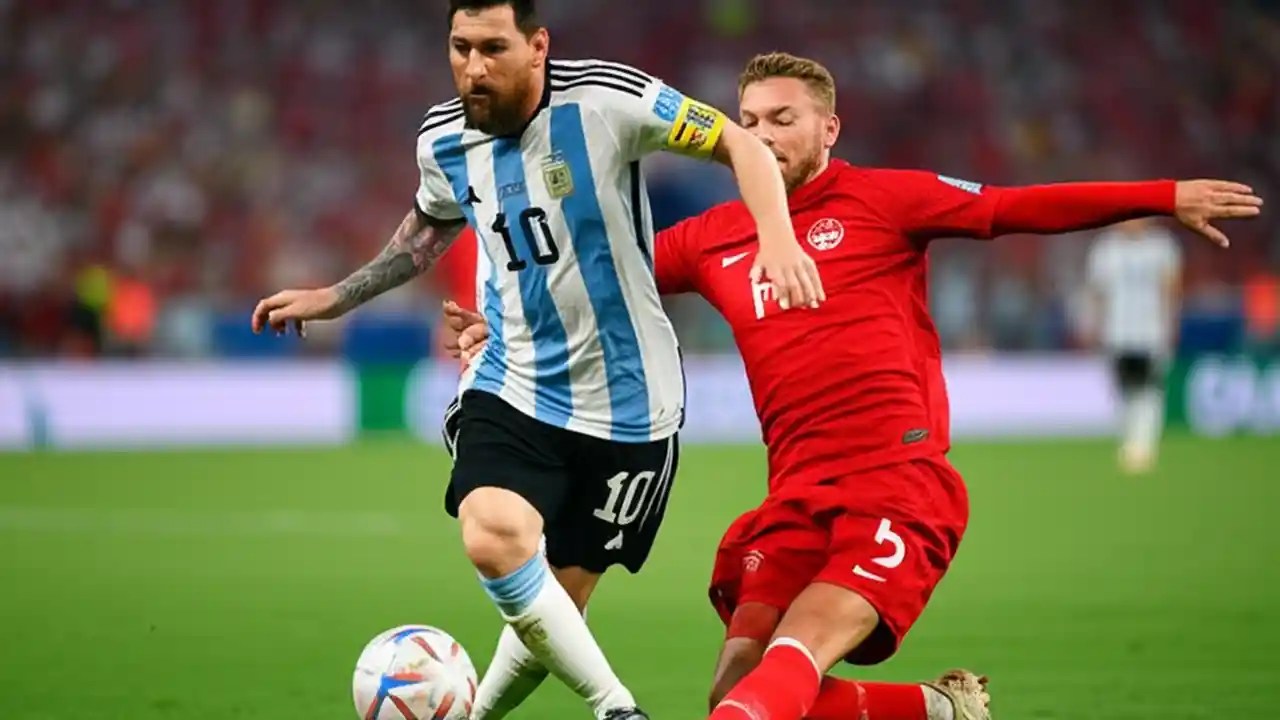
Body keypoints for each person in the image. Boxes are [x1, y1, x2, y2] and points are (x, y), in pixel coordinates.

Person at [444, 51, 1262, 720]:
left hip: (895, 485)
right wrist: (499, 325)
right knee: (736, 689)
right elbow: (588, 283)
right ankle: (939, 710)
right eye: (749, 122)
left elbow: (1015, 207)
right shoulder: (712, 237)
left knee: (777, 678)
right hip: (796, 499)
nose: (762, 135)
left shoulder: (885, 200)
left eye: (783, 119)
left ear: (829, 129)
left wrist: (1164, 198)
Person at [250, 2, 824, 719]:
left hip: (632, 399)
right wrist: (336, 297)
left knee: (555, 606)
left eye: (493, 48)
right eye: (460, 48)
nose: (473, 67)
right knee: (493, 534)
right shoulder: (442, 139)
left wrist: (777, 238)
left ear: (538, 46)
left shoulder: (608, 101)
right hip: (513, 378)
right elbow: (430, 225)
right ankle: (618, 709)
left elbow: (740, 143)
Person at [1086, 218, 1183, 474]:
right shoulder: (1106, 248)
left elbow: (1170, 289)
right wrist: (1095, 326)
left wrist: (1171, 325)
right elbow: (1098, 293)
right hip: (1117, 332)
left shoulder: (1162, 246)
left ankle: (1145, 445)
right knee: (1124, 389)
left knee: (1150, 388)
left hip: (1151, 331)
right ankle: (1129, 441)